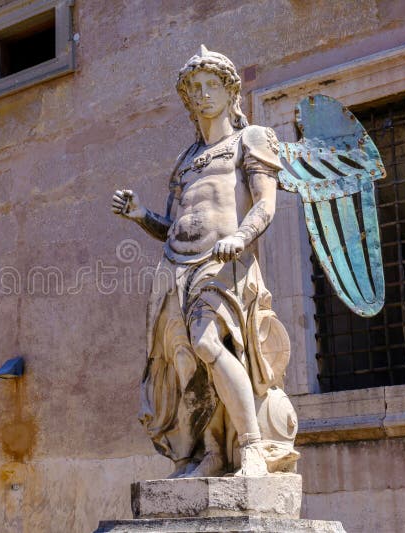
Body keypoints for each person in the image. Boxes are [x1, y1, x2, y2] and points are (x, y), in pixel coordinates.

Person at [111, 46, 294, 477]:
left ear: (231, 92)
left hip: (223, 261)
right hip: (176, 266)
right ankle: (212, 449)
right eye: (195, 88)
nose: (203, 94)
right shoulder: (186, 160)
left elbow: (265, 206)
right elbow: (173, 225)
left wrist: (241, 237)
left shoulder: (251, 139)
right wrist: (142, 217)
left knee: (209, 344)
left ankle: (251, 446)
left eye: (212, 85)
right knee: (186, 365)